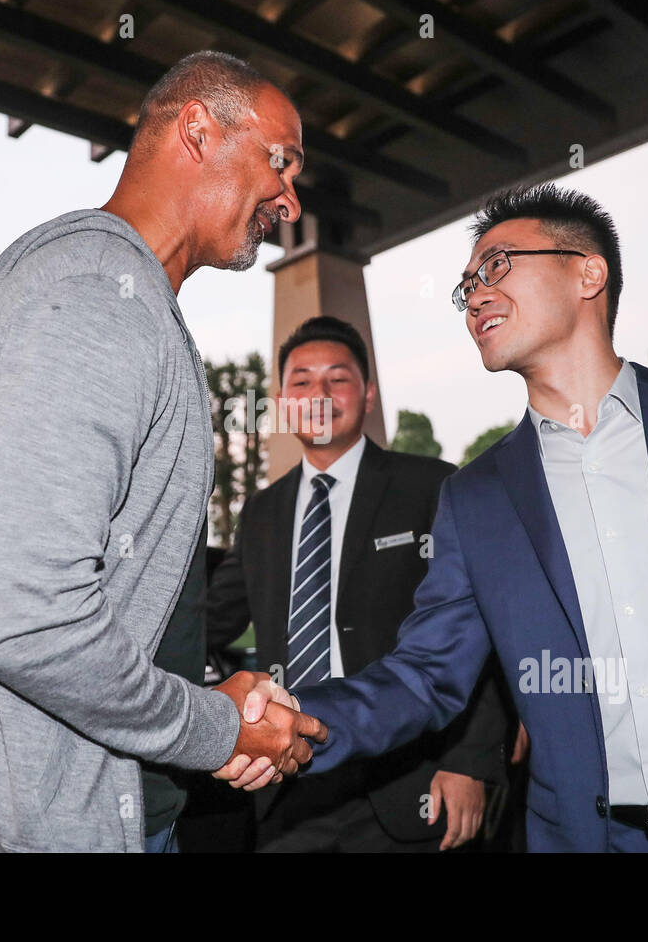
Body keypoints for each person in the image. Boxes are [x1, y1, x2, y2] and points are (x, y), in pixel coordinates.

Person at [219, 183, 648, 853]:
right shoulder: (477, 497)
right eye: (466, 287)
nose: (475, 297)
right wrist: (293, 721)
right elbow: (425, 675)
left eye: (495, 266)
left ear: (587, 273)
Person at [0, 50, 324, 853]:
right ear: (197, 129)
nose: (289, 200)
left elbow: (123, 606)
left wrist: (217, 703)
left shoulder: (112, 295)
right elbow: (23, 625)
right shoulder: (94, 305)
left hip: (75, 800)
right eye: (280, 160)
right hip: (24, 826)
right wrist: (219, 731)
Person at [208, 316, 511, 852]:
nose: (318, 393)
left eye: (337, 378)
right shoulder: (261, 513)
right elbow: (212, 618)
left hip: (412, 779)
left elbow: (482, 630)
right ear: (282, 400)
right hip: (286, 774)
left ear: (367, 395)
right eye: (301, 381)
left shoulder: (434, 487)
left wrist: (470, 762)